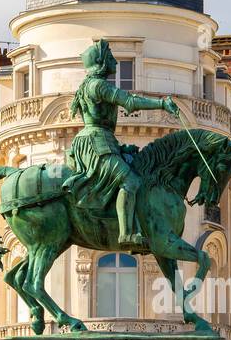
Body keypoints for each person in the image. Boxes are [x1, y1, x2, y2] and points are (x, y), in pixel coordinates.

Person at [64, 38, 181, 250]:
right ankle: (126, 233)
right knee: (131, 182)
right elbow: (130, 102)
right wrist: (161, 103)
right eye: (111, 58)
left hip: (102, 141)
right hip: (95, 143)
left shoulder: (88, 85)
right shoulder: (97, 85)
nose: (116, 63)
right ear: (100, 62)